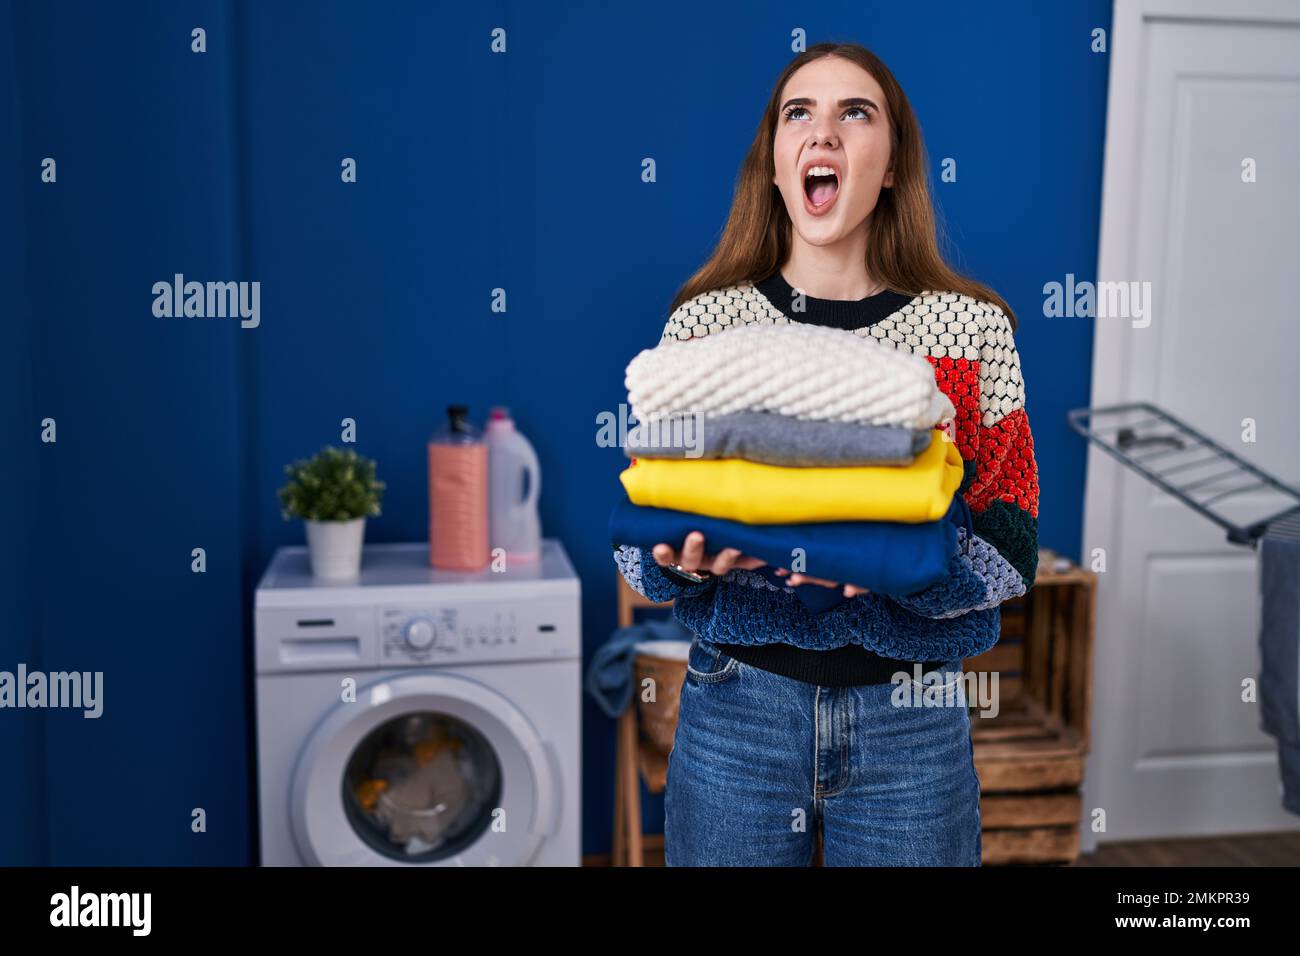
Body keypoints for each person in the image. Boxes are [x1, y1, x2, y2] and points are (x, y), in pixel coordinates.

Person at [611, 41, 1040, 866]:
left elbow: (1013, 547)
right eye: (799, 113)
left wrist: (897, 570)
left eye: (857, 113)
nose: (824, 133)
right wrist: (686, 561)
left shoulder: (970, 330)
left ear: (890, 167)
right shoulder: (706, 326)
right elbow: (639, 541)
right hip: (736, 710)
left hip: (910, 725)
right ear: (775, 164)